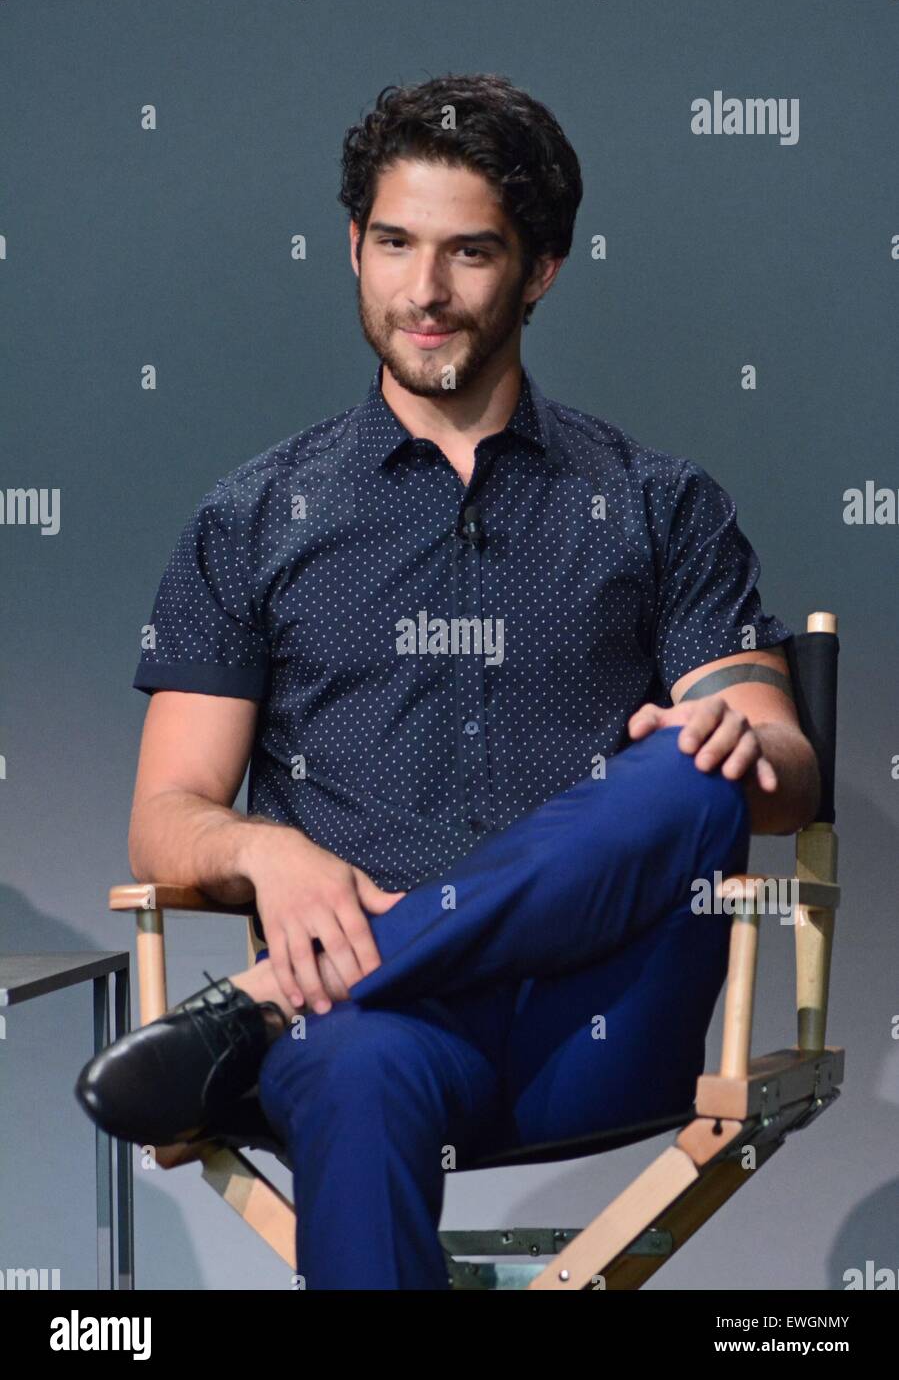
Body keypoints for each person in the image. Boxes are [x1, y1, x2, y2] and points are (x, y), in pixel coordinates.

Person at [75, 72, 820, 1289]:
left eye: (469, 252)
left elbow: (778, 765)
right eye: (393, 245)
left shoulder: (654, 502)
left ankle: (268, 994)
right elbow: (168, 819)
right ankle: (333, 984)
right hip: (370, 1036)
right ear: (352, 250)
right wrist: (267, 852)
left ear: (539, 271)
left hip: (592, 1024)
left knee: (694, 761)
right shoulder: (254, 517)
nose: (423, 292)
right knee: (352, 1068)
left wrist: (744, 742)